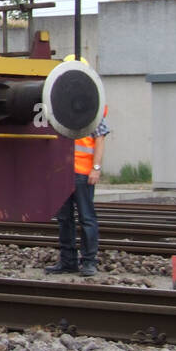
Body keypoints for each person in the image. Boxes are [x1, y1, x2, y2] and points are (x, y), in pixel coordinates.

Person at [47, 57, 110, 278]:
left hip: (83, 173)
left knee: (86, 218)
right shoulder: (56, 103)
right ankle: (68, 261)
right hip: (64, 174)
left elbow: (100, 138)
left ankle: (89, 262)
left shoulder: (91, 104)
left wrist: (96, 167)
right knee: (65, 219)